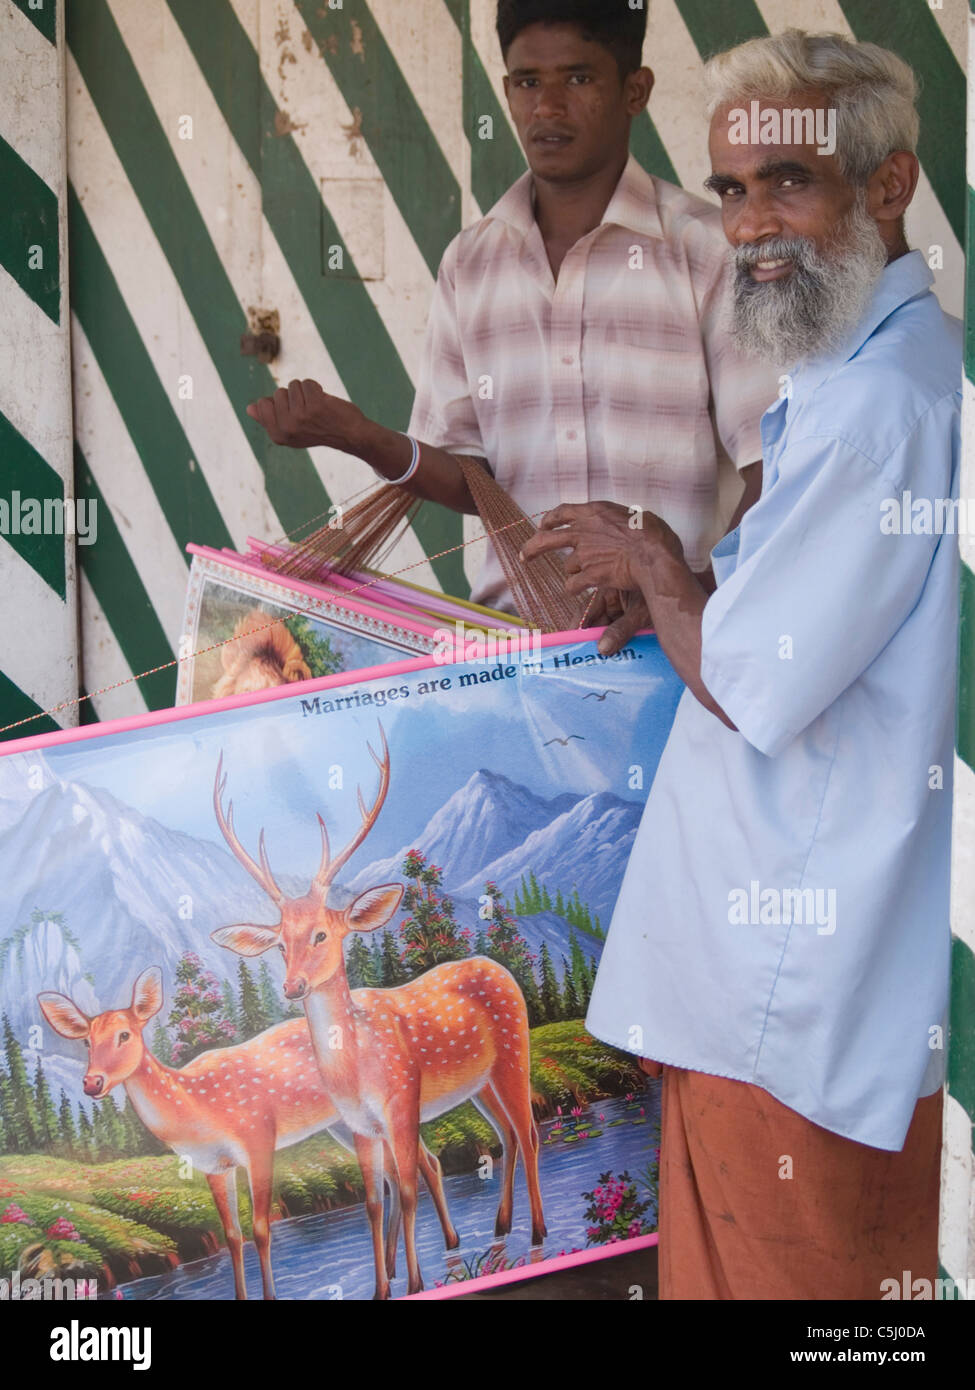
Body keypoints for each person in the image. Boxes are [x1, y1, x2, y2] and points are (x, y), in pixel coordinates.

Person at [522, 29, 962, 1300]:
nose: (751, 225)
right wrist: (676, 573)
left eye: (791, 183)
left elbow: (760, 684)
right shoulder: (867, 378)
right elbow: (807, 633)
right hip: (778, 990)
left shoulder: (882, 410)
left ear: (888, 188)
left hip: (797, 1008)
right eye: (730, 189)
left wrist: (662, 578)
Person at [246, 1, 776, 631]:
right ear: (506, 90)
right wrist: (363, 438)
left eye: (578, 79)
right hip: (513, 650)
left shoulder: (707, 250)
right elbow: (473, 478)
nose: (547, 108)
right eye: (528, 82)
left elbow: (773, 468)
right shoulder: (471, 265)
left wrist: (689, 595)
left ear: (636, 89)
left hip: (672, 653)